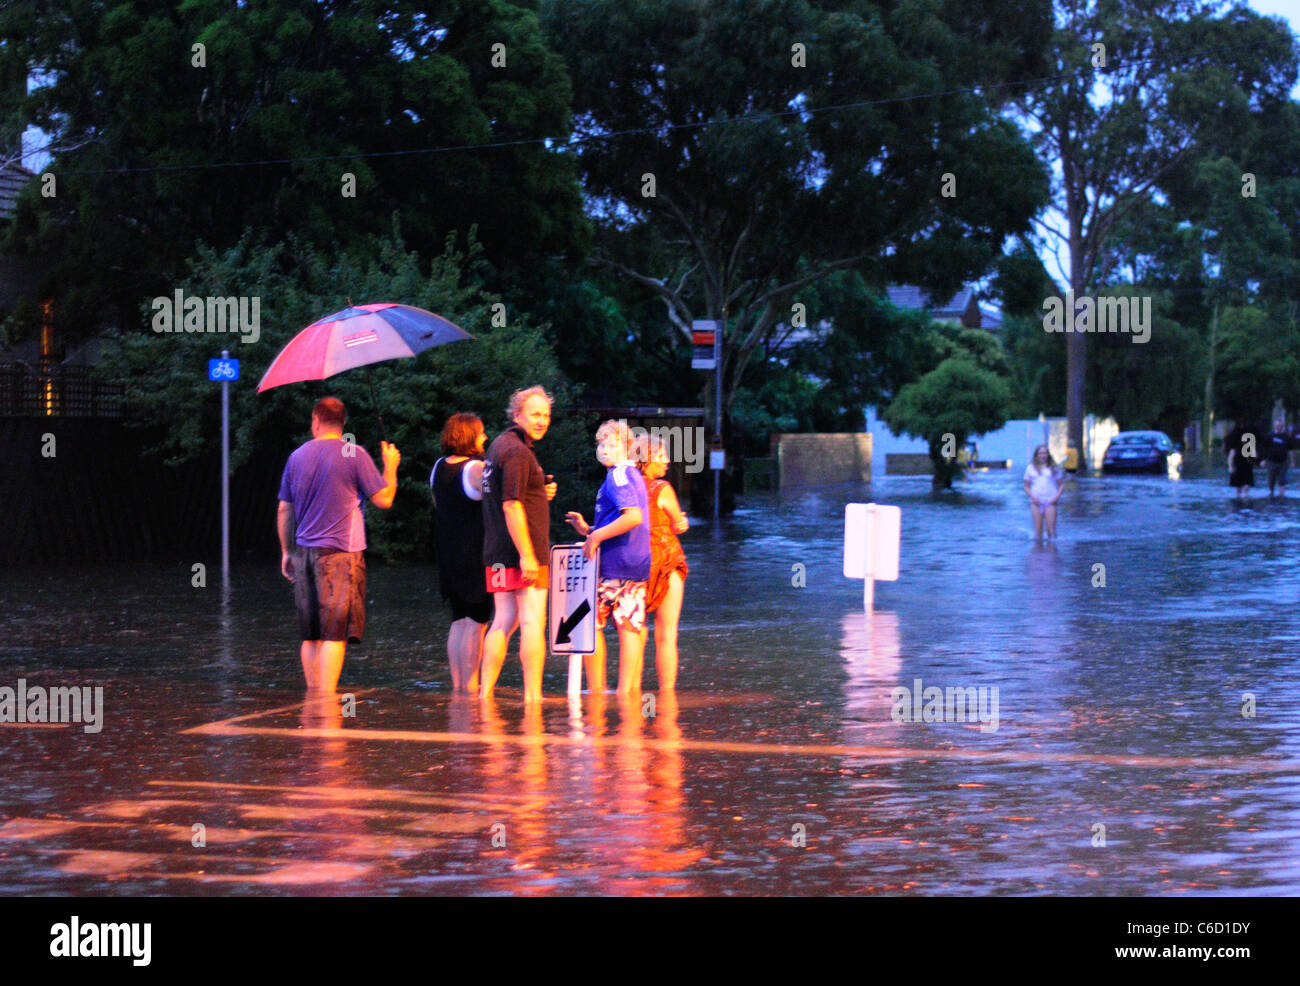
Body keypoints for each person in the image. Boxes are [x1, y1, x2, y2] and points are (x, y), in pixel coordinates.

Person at [277, 397, 400, 693]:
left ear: (315, 421)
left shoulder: (296, 456)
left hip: (305, 552)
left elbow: (284, 509)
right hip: (341, 555)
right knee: (334, 633)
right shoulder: (353, 453)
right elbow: (384, 500)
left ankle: (312, 695)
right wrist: (391, 466)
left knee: (310, 634)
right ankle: (326, 699)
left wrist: (286, 551)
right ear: (343, 423)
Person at [478, 387, 557, 703]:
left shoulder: (498, 445)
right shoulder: (518, 452)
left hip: (496, 552)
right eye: (535, 414)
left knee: (502, 621)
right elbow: (511, 504)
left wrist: (541, 492)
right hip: (523, 552)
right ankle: (533, 697)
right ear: (517, 415)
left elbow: (509, 495)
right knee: (531, 623)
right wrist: (526, 555)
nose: (542, 421)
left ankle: (484, 694)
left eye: (546, 415)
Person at [566, 420, 652, 698]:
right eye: (600, 444)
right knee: (630, 626)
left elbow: (633, 517)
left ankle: (597, 691)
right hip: (636, 563)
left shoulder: (618, 475)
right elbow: (625, 520)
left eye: (612, 444)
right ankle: (627, 694)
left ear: (627, 447)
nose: (604, 450)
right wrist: (590, 529)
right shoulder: (633, 474)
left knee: (590, 627)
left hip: (615, 565)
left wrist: (595, 538)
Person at [431, 412, 491, 693]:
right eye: (480, 433)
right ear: (468, 436)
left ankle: (457, 688)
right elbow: (499, 501)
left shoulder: (438, 467)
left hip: (447, 554)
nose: (485, 438)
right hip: (474, 554)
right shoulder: (475, 468)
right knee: (477, 623)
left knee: (458, 620)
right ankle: (471, 687)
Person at [635, 435, 690, 691]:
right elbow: (678, 525)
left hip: (635, 564)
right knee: (666, 634)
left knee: (637, 631)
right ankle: (667, 697)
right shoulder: (662, 488)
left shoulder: (625, 486)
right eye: (660, 455)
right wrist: (681, 522)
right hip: (666, 562)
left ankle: (631, 693)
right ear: (645, 460)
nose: (666, 460)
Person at [1023, 444, 1063, 540]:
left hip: (1050, 501)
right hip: (1036, 502)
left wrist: (1056, 498)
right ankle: (1038, 553)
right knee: (1038, 532)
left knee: (1051, 532)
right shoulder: (1030, 468)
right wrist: (1033, 497)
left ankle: (1052, 552)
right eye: (1040, 453)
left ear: (1048, 455)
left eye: (1045, 453)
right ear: (1037, 455)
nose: (1043, 455)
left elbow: (1061, 485)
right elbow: (1026, 486)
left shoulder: (1054, 468)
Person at [1227, 424, 1256, 501]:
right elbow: (1231, 455)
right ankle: (1239, 497)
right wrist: (1230, 466)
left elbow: (1253, 454)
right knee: (1238, 486)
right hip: (1238, 466)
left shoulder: (1250, 443)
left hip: (1248, 466)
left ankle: (1245, 496)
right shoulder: (1235, 443)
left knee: (1247, 484)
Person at [1262, 420, 1291, 498]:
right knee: (1271, 480)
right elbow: (1265, 448)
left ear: (1283, 427)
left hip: (1283, 462)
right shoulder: (1269, 436)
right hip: (1271, 461)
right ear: (1275, 426)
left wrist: (1292, 461)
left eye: (1281, 426)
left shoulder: (1286, 437)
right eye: (1278, 426)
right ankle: (1271, 493)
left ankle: (1281, 495)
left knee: (1282, 480)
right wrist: (1263, 460)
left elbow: (1290, 449)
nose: (1279, 427)